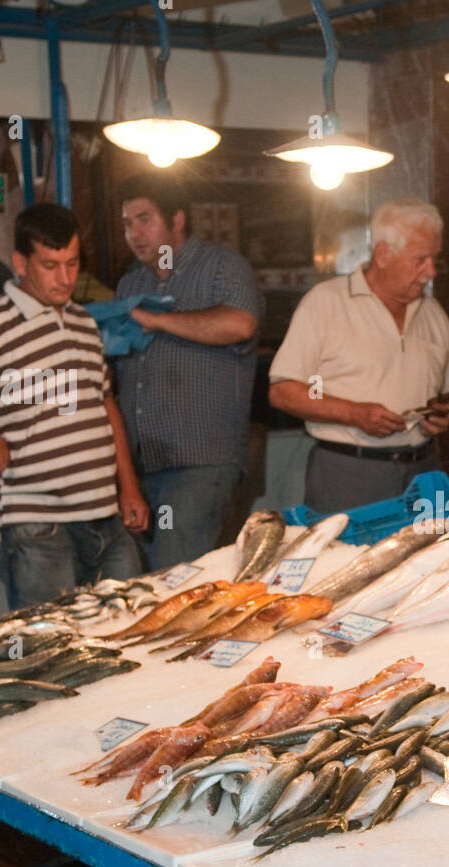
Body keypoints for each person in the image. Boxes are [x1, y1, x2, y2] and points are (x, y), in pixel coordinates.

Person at [0, 203, 148, 610]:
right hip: (36, 525)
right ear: (20, 262)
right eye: (50, 265)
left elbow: (105, 406)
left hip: (105, 518)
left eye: (72, 263)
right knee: (51, 646)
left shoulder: (84, 323)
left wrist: (130, 488)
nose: (65, 277)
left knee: (128, 630)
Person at [268, 198, 449, 514]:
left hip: (425, 472)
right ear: (383, 255)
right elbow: (283, 392)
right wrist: (354, 414)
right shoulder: (325, 303)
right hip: (348, 474)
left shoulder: (433, 312)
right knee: (346, 562)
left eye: (435, 259)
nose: (430, 271)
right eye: (420, 259)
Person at [113, 174, 262, 571]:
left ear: (177, 219)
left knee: (175, 577)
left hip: (200, 458)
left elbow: (240, 324)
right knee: (146, 583)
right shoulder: (131, 282)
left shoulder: (221, 266)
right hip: (142, 464)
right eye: (127, 224)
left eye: (145, 219)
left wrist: (158, 321)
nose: (135, 233)